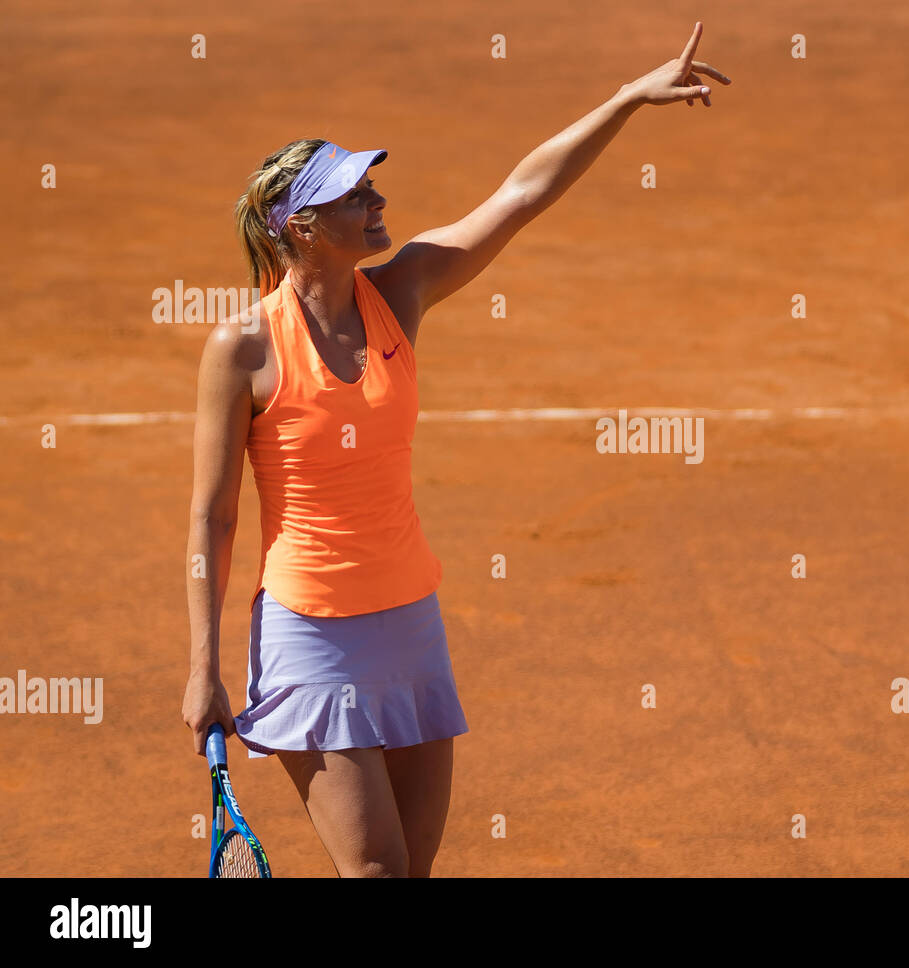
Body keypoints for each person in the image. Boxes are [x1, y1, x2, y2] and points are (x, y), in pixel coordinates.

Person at [181, 23, 730, 877]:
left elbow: (519, 195)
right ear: (300, 227)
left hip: (408, 621)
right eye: (354, 195)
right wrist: (203, 669)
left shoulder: (402, 290)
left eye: (371, 186)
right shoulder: (244, 349)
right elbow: (213, 518)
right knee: (377, 873)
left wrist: (625, 99)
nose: (377, 204)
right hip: (311, 637)